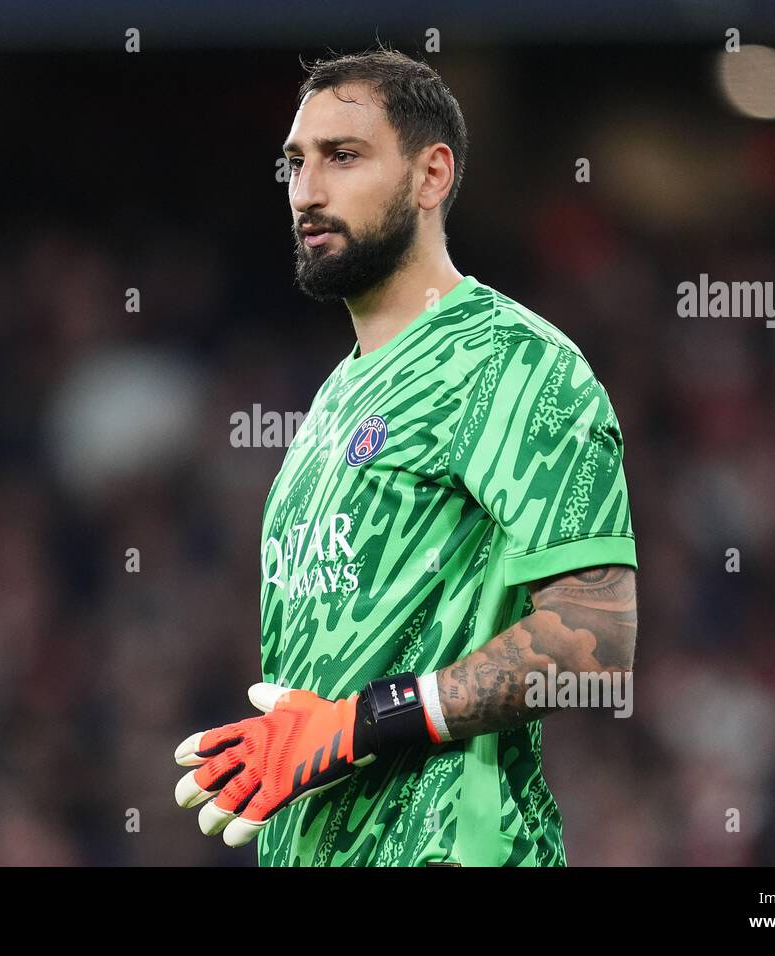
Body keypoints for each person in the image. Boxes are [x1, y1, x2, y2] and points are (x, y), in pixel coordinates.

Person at [174, 45, 638, 867]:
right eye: (294, 164)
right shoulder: (331, 401)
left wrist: (356, 726)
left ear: (432, 176)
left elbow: (595, 644)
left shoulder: (516, 366)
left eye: (343, 157)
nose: (307, 192)